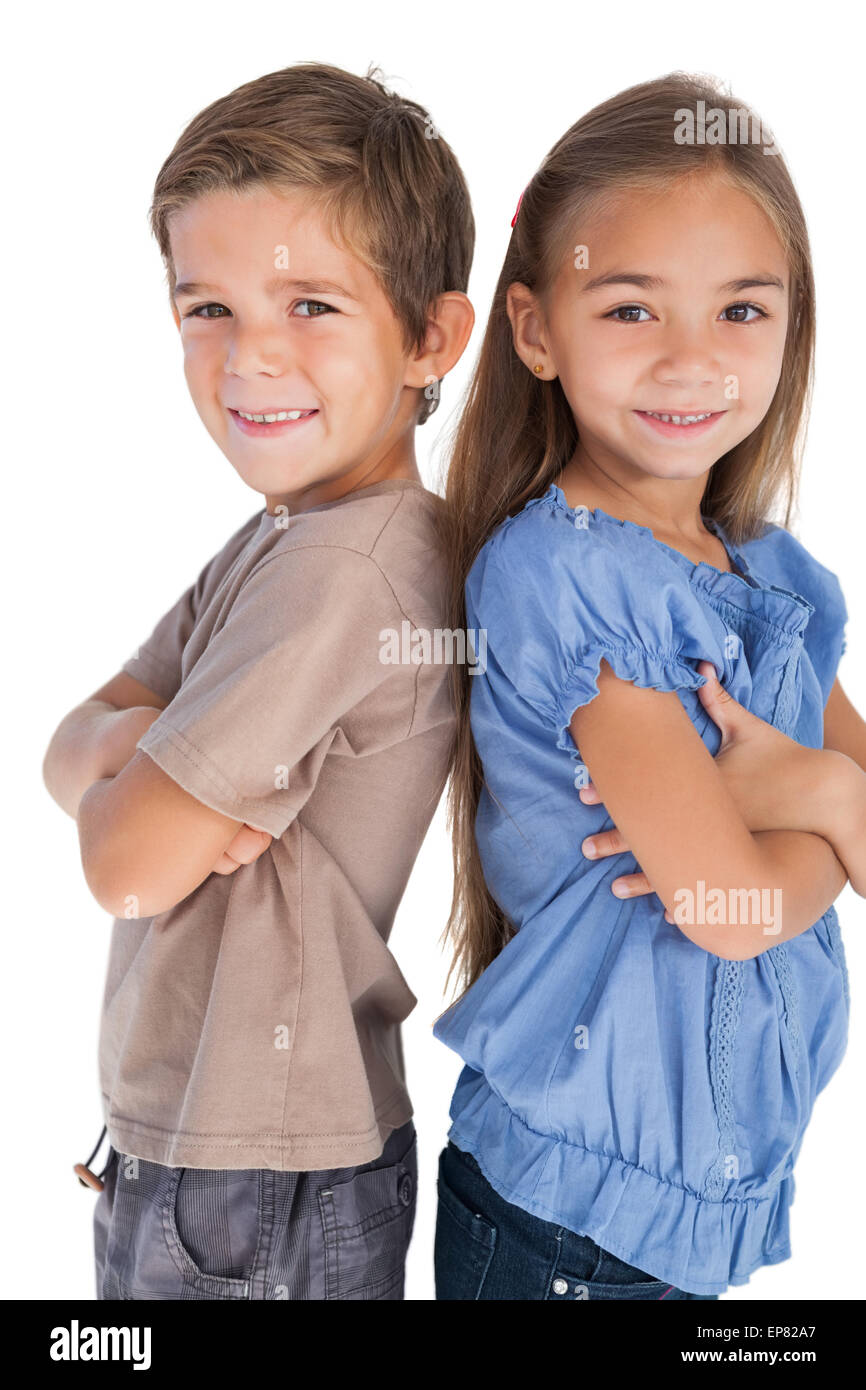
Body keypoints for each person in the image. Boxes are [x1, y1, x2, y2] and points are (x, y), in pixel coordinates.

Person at [42, 61, 474, 1301]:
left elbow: (122, 864)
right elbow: (77, 737)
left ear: (429, 336)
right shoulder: (286, 532)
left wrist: (134, 762)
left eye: (311, 305)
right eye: (207, 307)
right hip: (215, 1154)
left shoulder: (343, 568)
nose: (250, 357)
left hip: (255, 1185)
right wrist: (136, 759)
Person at [433, 71, 865, 1300]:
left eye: (740, 309)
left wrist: (803, 805)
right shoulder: (564, 580)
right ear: (535, 329)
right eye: (629, 311)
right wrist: (828, 799)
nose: (691, 360)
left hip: (691, 1219)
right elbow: (724, 903)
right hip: (561, 1229)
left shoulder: (770, 580)